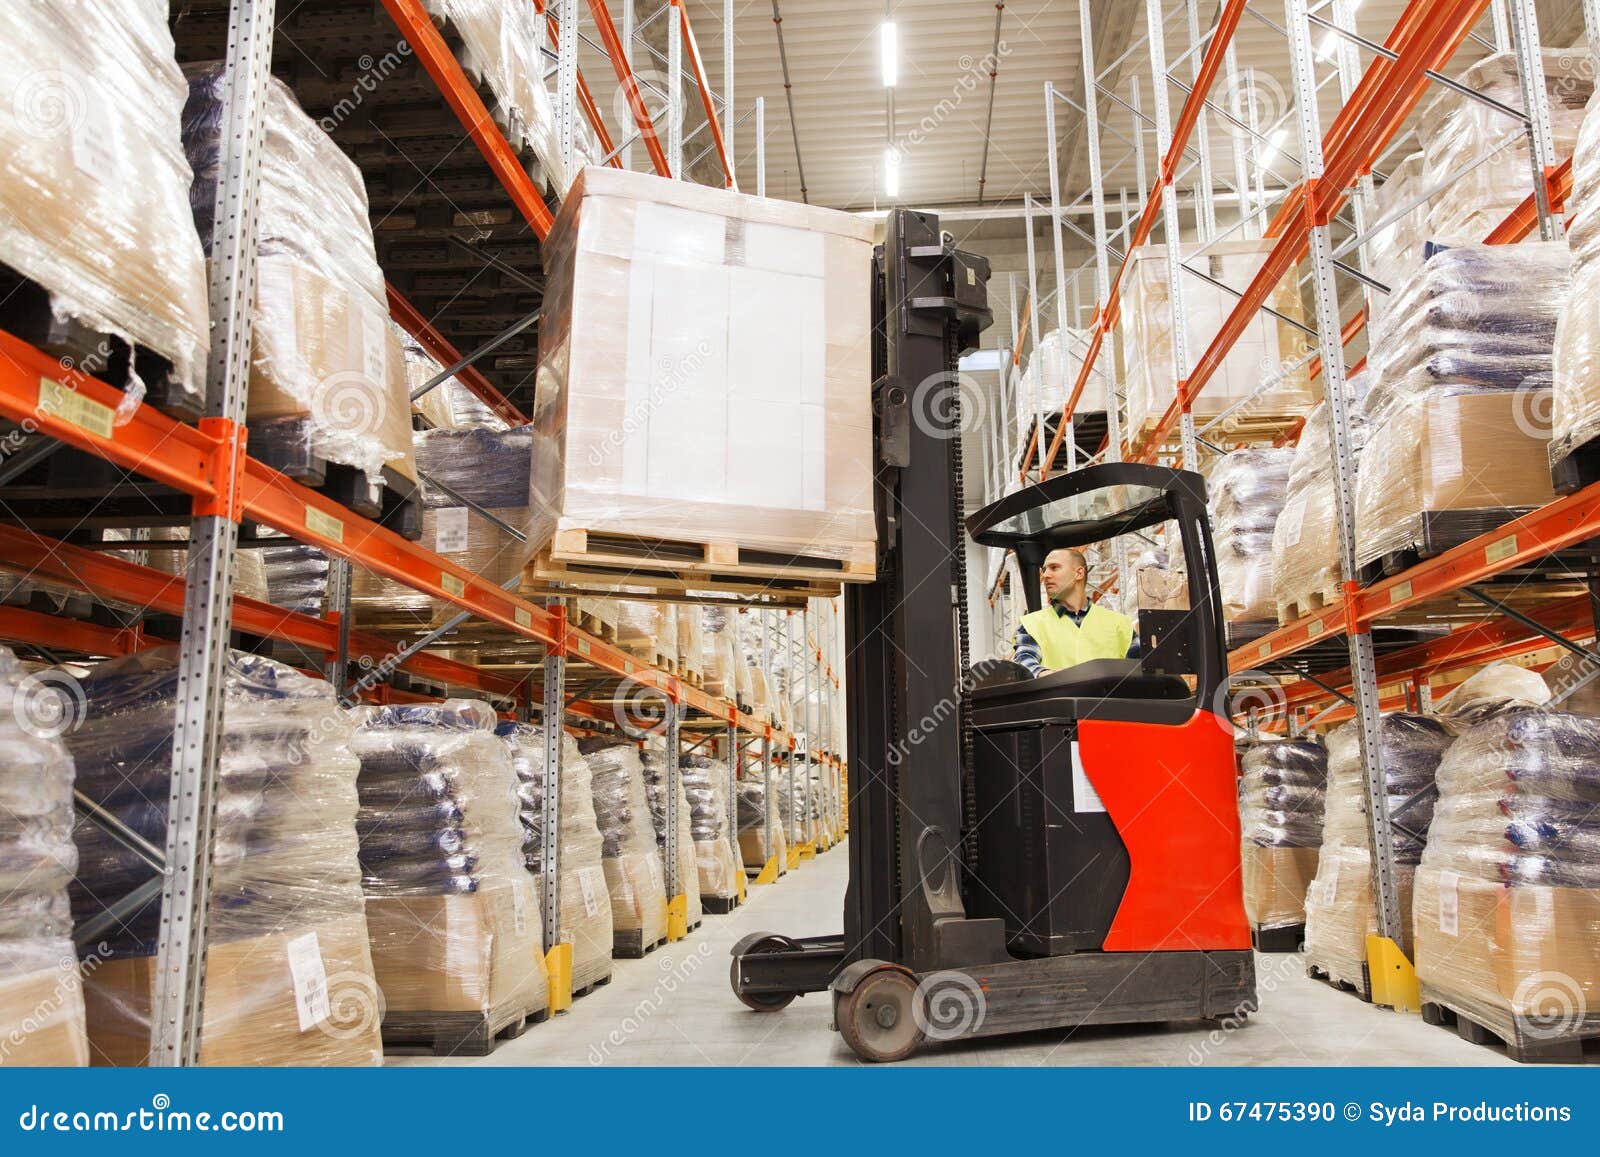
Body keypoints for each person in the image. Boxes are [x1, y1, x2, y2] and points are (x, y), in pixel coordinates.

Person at [1013, 547, 1138, 677]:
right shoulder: (1031, 624)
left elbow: (1139, 670)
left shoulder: (1120, 623)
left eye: (1054, 567)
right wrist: (1044, 674)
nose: (1045, 575)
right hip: (1058, 695)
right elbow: (1025, 662)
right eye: (1044, 570)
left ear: (1079, 573)